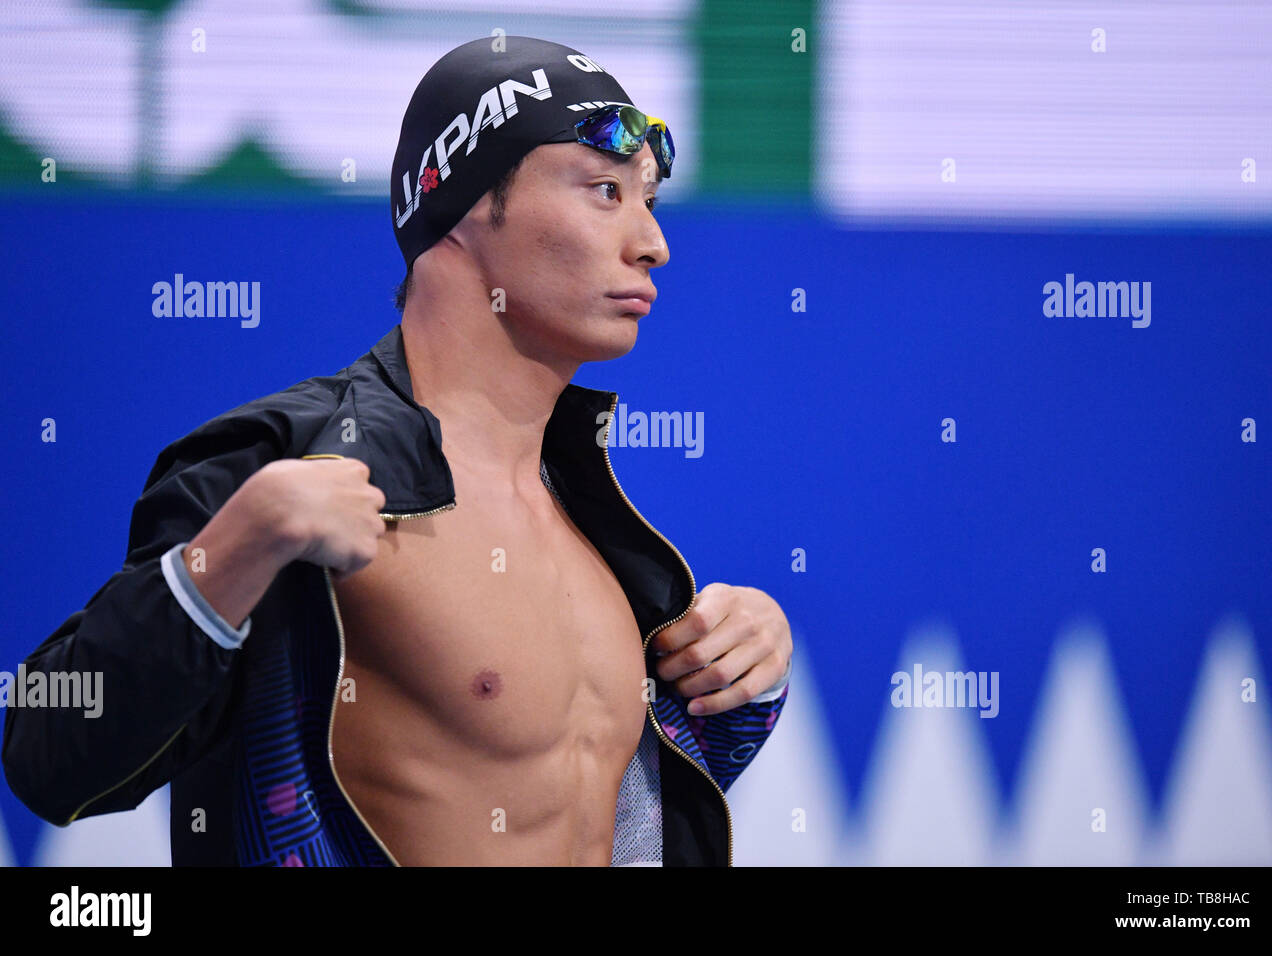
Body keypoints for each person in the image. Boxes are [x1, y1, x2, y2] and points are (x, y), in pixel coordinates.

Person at [2, 35, 792, 867]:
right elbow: (47, 758)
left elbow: (594, 812)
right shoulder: (290, 466)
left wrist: (744, 678)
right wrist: (232, 551)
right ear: (455, 203)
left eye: (650, 202)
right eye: (605, 192)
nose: (651, 243)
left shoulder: (591, 523)